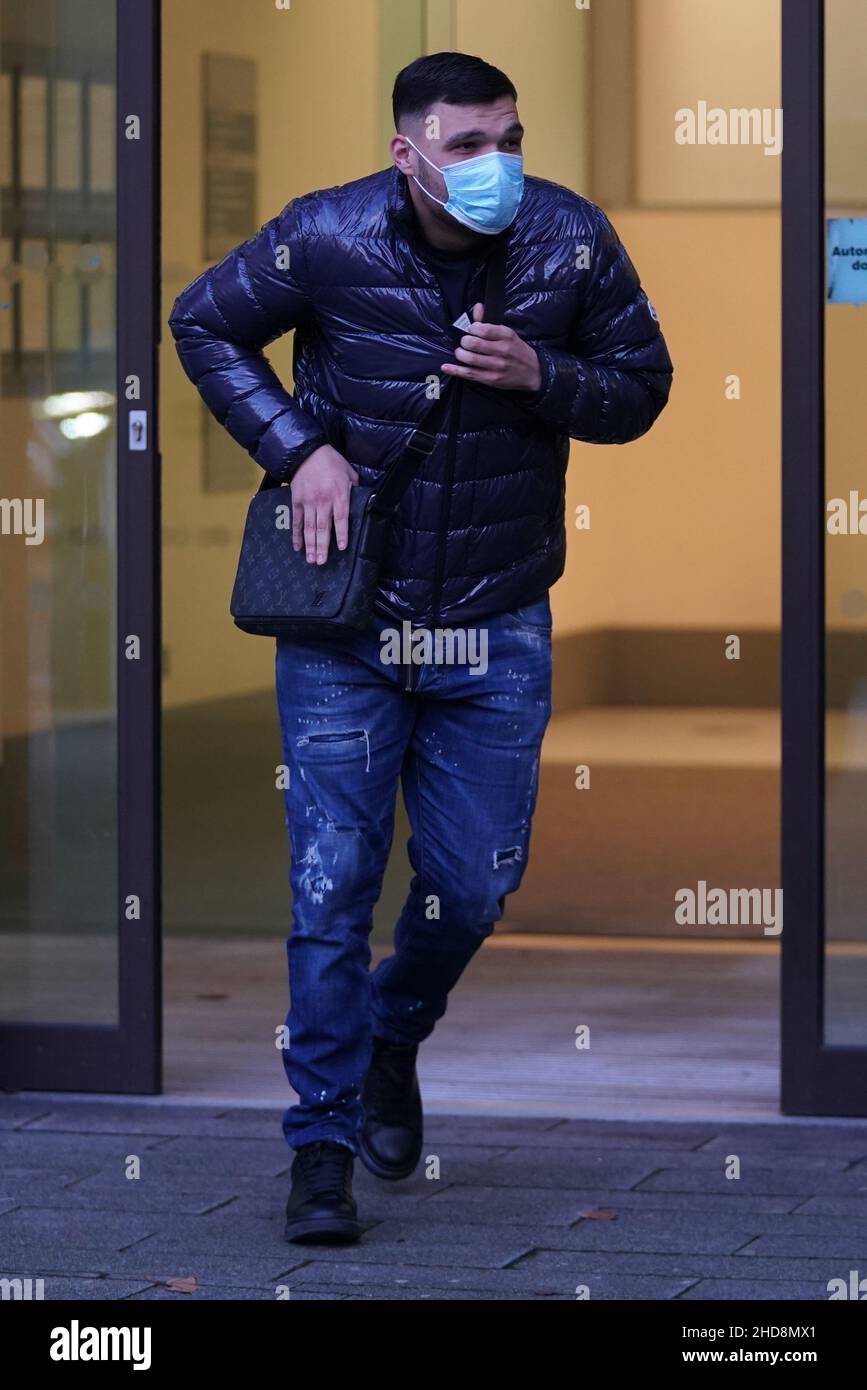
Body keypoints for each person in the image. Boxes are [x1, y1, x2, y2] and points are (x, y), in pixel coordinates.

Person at [168, 51, 673, 1246]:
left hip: (496, 619)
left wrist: (543, 372)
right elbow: (204, 322)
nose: (496, 163)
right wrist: (298, 449)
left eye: (510, 138)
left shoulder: (571, 240)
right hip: (348, 624)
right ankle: (321, 1148)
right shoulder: (326, 235)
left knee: (475, 881)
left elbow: (642, 388)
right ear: (408, 154)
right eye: (466, 144)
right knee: (331, 885)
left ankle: (393, 1033)